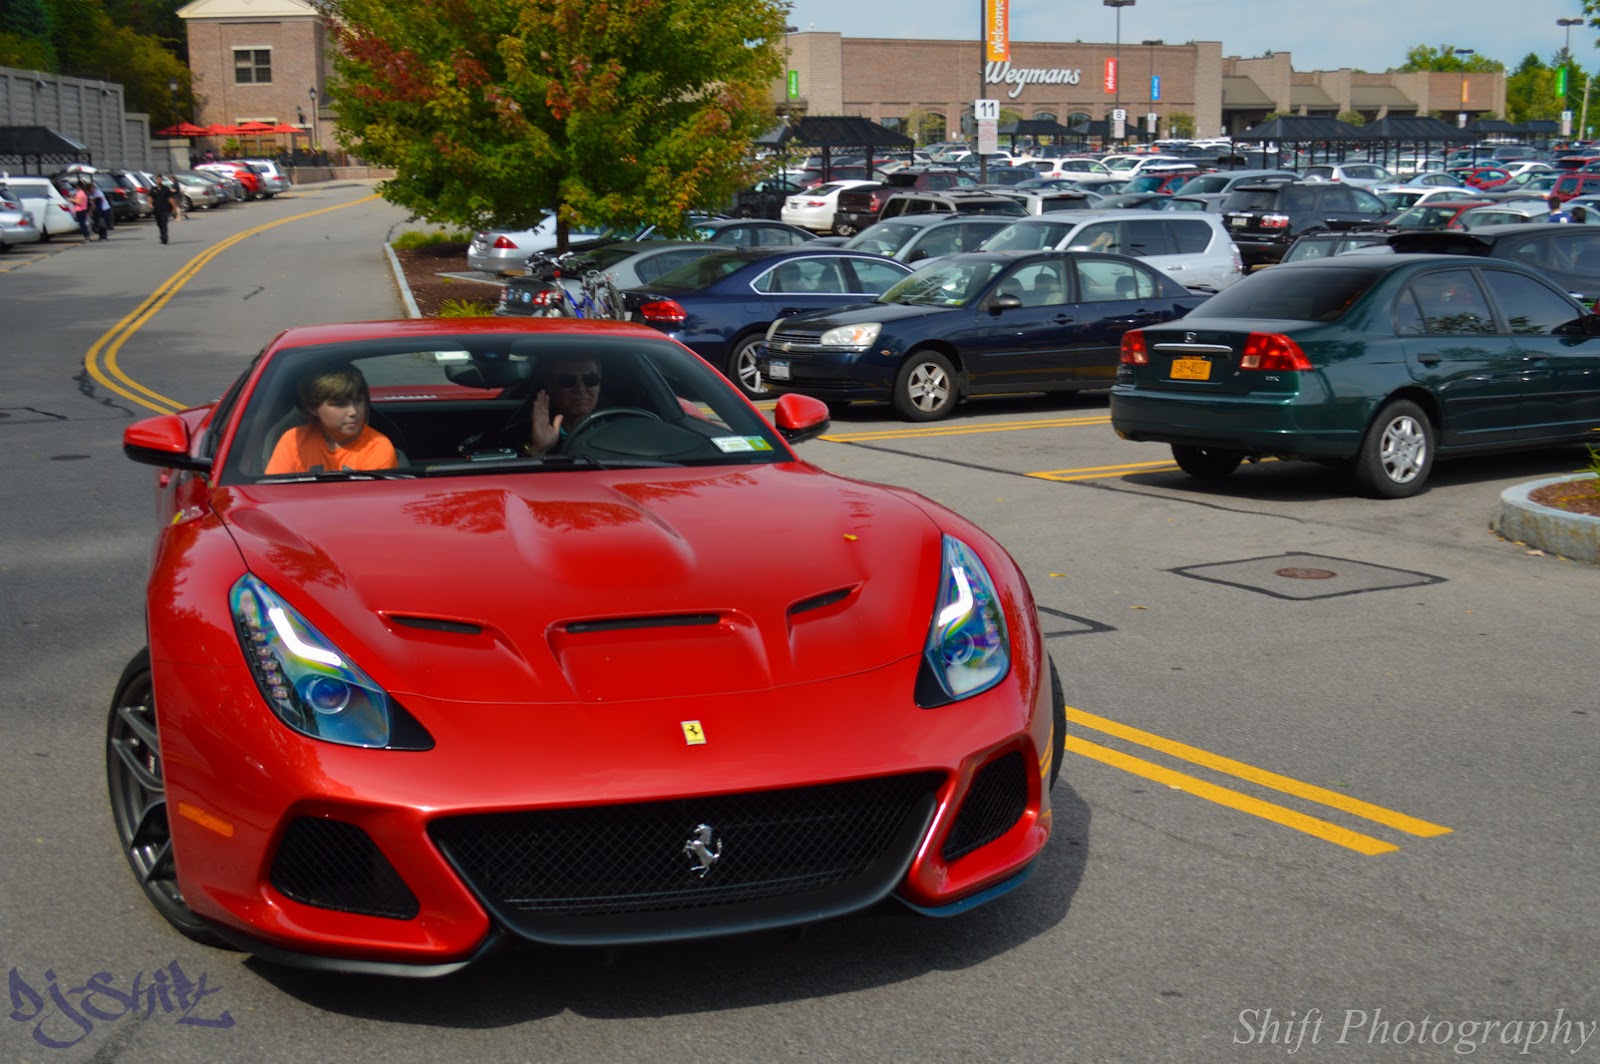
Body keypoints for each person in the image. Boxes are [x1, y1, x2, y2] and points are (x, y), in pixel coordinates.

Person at [265, 365, 397, 474]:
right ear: (313, 408)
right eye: (340, 404)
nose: (353, 412)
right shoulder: (293, 441)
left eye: (358, 401)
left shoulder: (378, 447)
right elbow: (274, 491)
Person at [524, 356, 603, 456]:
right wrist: (539, 449)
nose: (580, 389)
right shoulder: (529, 431)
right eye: (568, 380)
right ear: (550, 387)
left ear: (599, 385)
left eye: (590, 379)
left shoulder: (614, 427)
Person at [149, 176, 177, 244]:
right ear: (156, 180)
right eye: (158, 179)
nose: (159, 181)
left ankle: (165, 237)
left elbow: (170, 199)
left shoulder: (166, 189)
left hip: (165, 209)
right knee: (159, 224)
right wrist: (150, 204)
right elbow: (150, 197)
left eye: (160, 179)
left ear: (162, 180)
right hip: (156, 209)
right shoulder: (153, 189)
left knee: (164, 223)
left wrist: (174, 208)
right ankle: (162, 236)